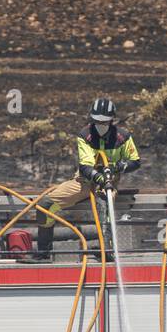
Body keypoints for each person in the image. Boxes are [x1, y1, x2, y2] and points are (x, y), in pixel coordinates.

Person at [34, 98, 142, 259]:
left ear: (112, 120)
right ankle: (43, 252)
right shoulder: (85, 135)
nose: (100, 125)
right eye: (96, 121)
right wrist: (97, 176)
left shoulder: (123, 137)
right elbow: (85, 166)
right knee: (45, 206)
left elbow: (135, 161)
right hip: (83, 182)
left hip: (108, 184)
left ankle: (106, 250)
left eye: (104, 122)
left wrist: (117, 167)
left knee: (105, 204)